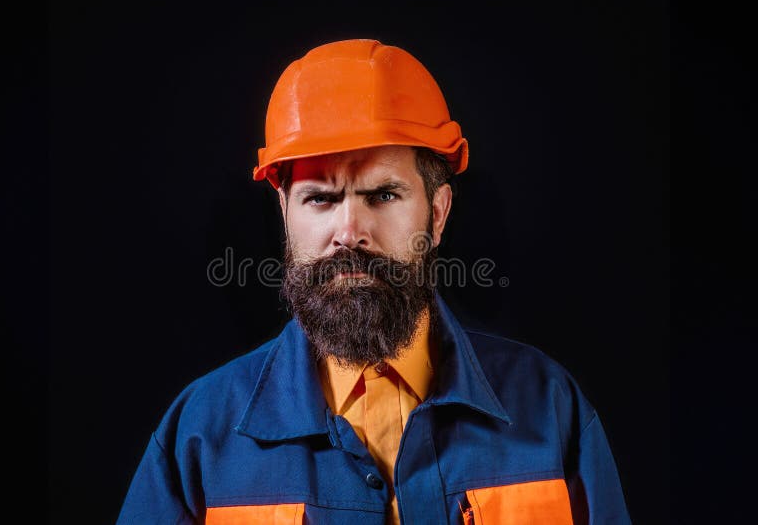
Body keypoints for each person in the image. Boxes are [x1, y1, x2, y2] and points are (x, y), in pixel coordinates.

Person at [117, 39, 630, 525]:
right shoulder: (199, 437)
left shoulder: (549, 409)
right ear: (285, 213)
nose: (350, 232)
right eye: (321, 198)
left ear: (438, 212)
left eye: (383, 195)